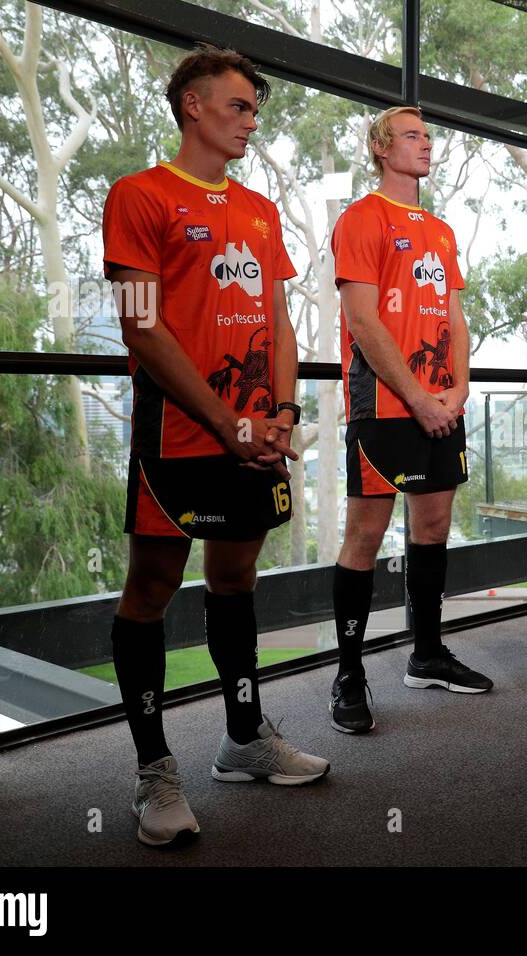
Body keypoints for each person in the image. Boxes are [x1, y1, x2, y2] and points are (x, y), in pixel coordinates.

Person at [102, 45, 329, 846]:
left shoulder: (260, 211)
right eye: (238, 106)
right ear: (193, 105)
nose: (251, 122)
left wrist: (282, 413)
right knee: (152, 587)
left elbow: (278, 321)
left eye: (255, 111)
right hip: (178, 438)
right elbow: (141, 328)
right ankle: (154, 771)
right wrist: (228, 424)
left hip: (257, 438)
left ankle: (243, 739)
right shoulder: (138, 195)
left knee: (235, 579)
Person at [327, 106, 493, 735]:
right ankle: (349, 673)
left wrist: (459, 386)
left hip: (440, 405)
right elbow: (362, 322)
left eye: (428, 136)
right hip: (385, 407)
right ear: (379, 146)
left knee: (434, 526)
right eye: (411, 135)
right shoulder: (361, 218)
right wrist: (418, 397)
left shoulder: (441, 231)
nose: (425, 144)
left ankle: (427, 655)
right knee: (365, 536)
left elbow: (454, 318)